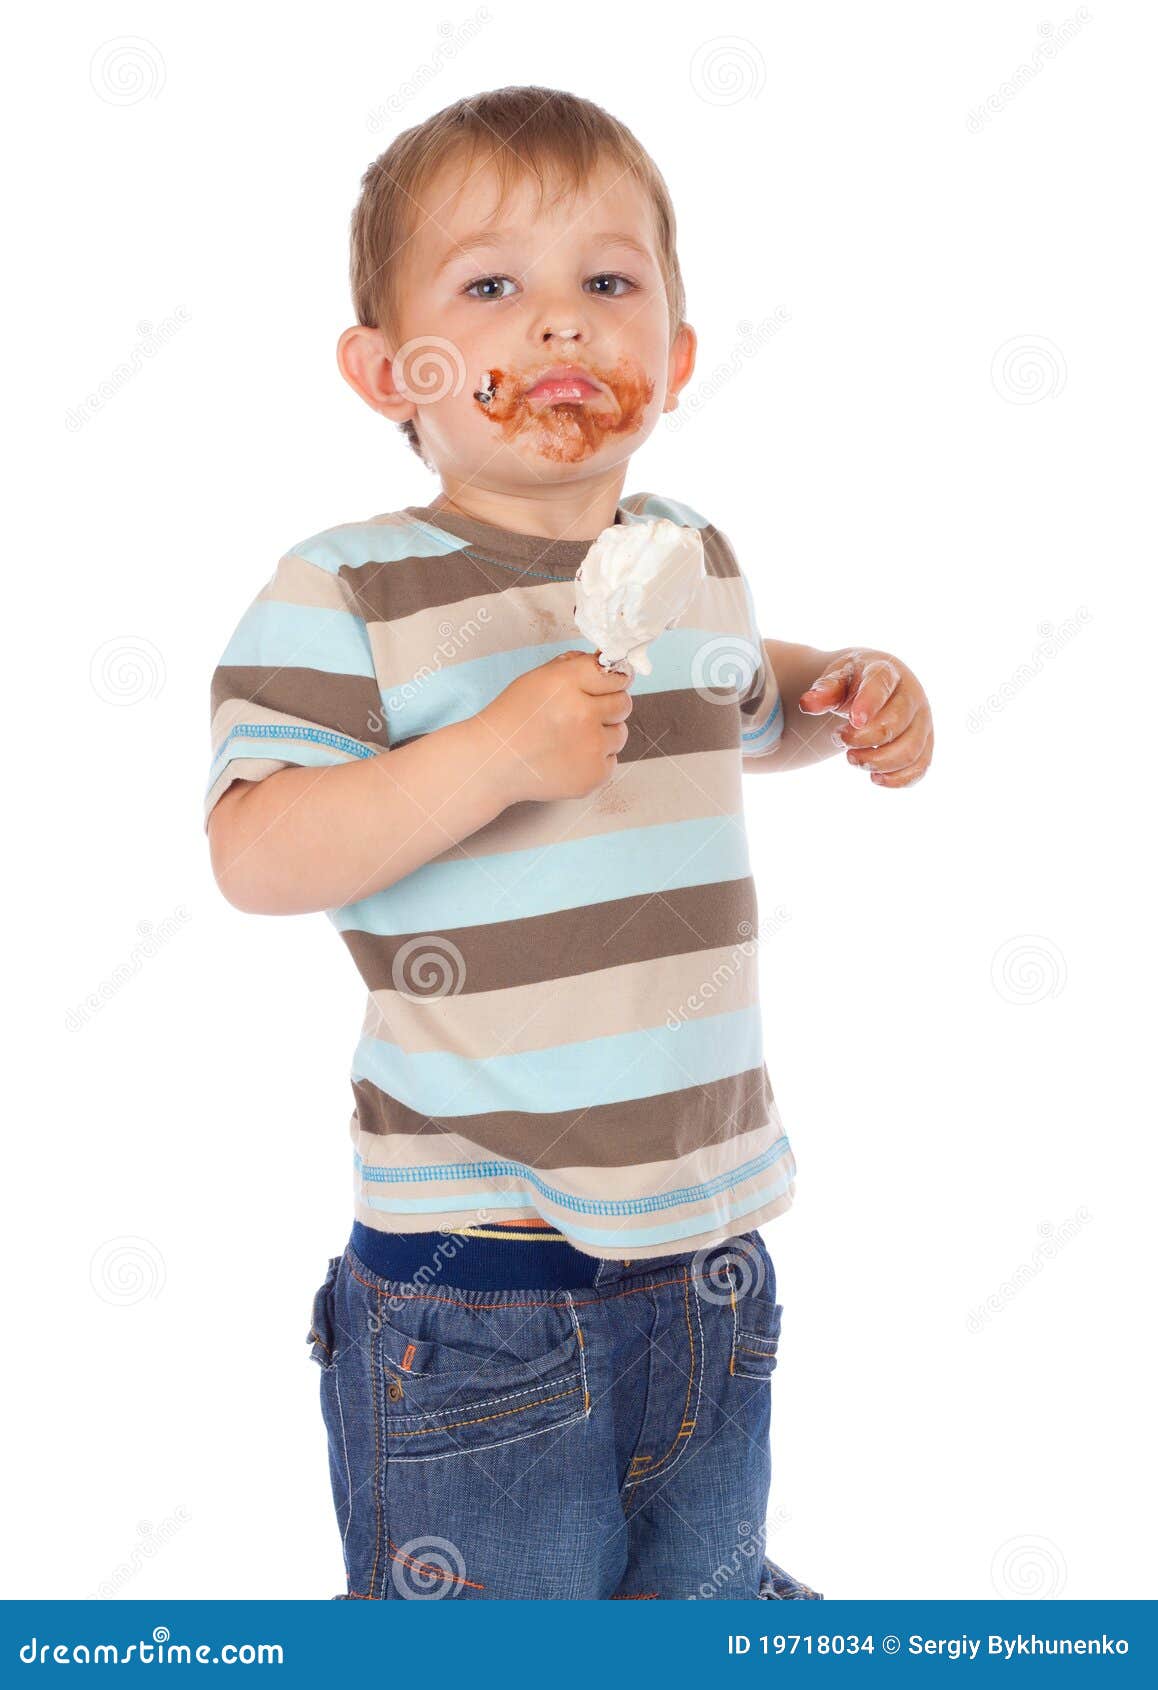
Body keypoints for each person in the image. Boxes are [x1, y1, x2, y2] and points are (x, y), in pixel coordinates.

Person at [204, 86, 932, 1601]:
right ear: (381, 367)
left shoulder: (686, 559)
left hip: (711, 1253)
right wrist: (488, 753)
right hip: (479, 1276)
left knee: (693, 1607)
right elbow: (257, 850)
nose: (558, 328)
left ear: (669, 354)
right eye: (491, 288)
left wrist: (839, 691)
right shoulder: (350, 590)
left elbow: (739, 693)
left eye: (605, 285)